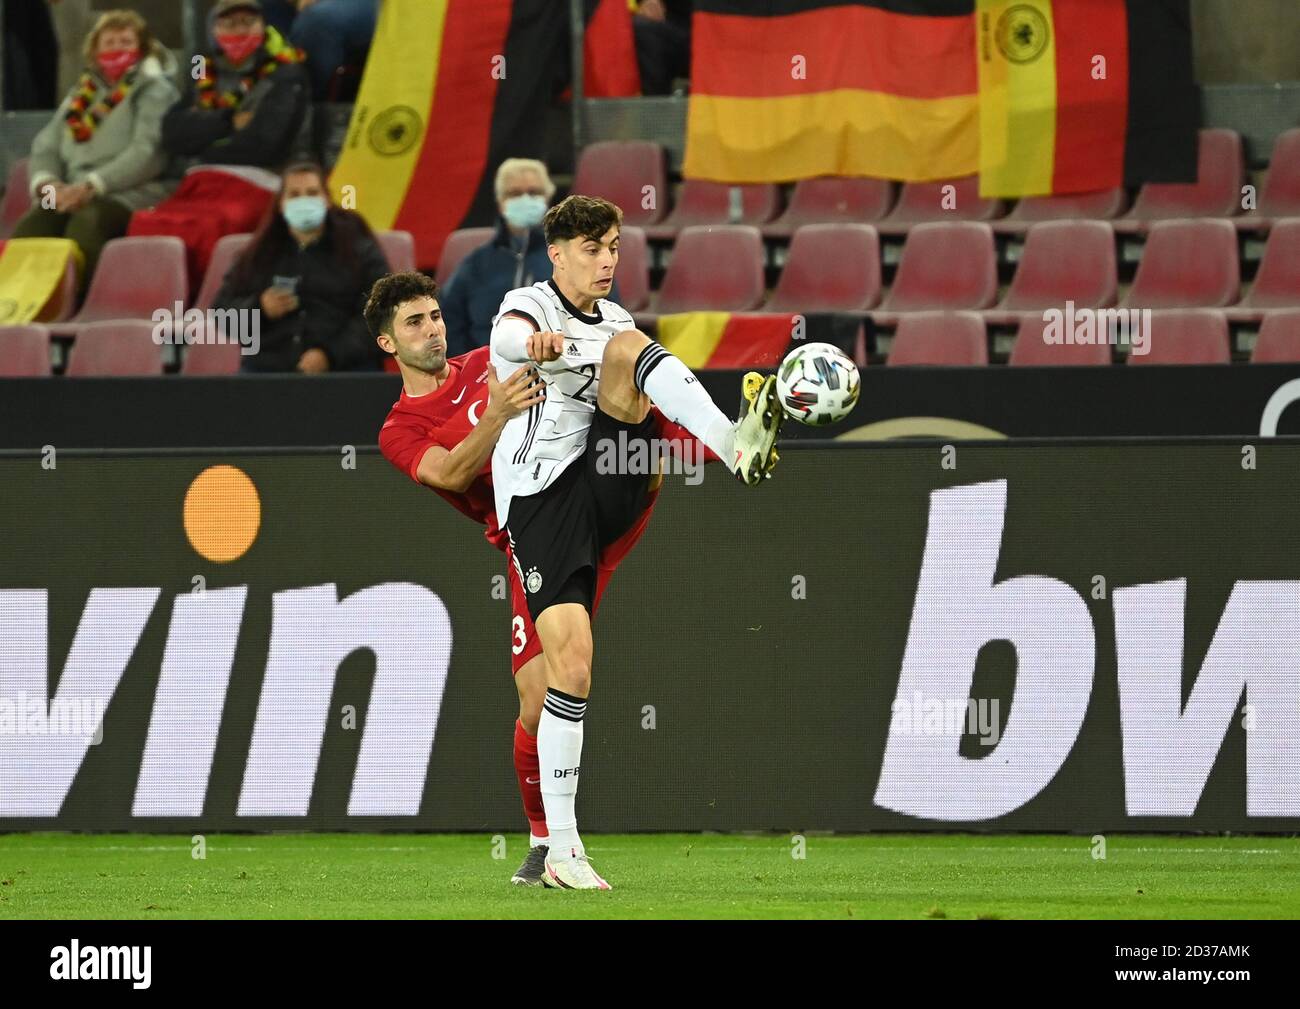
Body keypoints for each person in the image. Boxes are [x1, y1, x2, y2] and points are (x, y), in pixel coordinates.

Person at [369, 270, 728, 886]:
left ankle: (722, 438)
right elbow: (451, 474)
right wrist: (499, 414)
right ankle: (544, 844)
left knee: (622, 371)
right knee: (538, 701)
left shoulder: (490, 357)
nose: (432, 330)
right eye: (414, 323)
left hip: (581, 498)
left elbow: (580, 383)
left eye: (433, 316)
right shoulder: (399, 428)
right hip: (524, 536)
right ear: (387, 344)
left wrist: (687, 440)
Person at [489, 195, 783, 889]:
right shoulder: (528, 303)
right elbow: (506, 336)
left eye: (614, 246)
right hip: (543, 500)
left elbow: (628, 374)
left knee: (629, 351)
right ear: (556, 253)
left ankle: (734, 443)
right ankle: (562, 851)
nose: (607, 260)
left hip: (607, 480)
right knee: (574, 667)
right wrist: (531, 346)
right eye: (592, 248)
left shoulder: (618, 321)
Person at [12, 8, 178, 287]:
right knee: (32, 224)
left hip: (131, 192)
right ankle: (23, 309)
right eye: (109, 43)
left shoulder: (155, 90)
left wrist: (91, 185)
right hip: (68, 191)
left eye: (126, 42)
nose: (117, 50)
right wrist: (49, 185)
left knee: (86, 224)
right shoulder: (80, 94)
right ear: (95, 51)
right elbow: (45, 146)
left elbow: (147, 153)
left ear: (142, 47)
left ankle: (77, 309)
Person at [213, 161, 389, 373]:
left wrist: (330, 354)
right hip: (268, 372)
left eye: (312, 192)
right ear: (280, 204)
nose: (304, 200)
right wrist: (259, 308)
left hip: (347, 370)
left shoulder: (358, 250)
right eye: (294, 194)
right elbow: (221, 313)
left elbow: (383, 312)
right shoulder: (258, 255)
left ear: (327, 200)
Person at [161, 0, 309, 170]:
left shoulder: (286, 70)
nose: (240, 30)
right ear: (214, 30)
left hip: (261, 174)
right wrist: (229, 121)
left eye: (249, 22)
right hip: (199, 172)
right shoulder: (200, 65)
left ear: (263, 26)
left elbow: (262, 144)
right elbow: (171, 132)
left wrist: (200, 143)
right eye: (230, 23)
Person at [441, 159, 561, 359]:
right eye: (514, 194)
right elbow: (448, 321)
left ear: (548, 199)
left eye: (534, 192)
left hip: (558, 367)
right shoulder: (475, 265)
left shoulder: (570, 258)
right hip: (486, 373)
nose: (525, 199)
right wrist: (470, 367)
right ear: (500, 203)